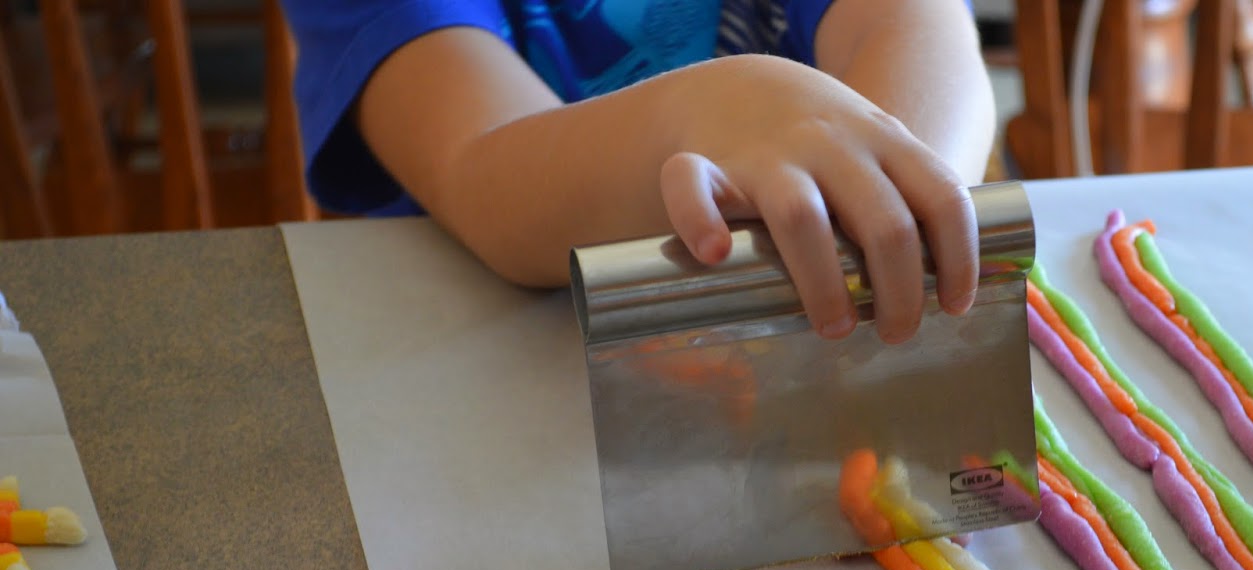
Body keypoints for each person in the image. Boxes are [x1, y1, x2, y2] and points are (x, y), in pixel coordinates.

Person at [281, 0, 996, 343]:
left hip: (795, 365)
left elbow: (914, 29)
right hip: (490, 387)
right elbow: (482, 168)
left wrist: (888, 206)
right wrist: (709, 107)